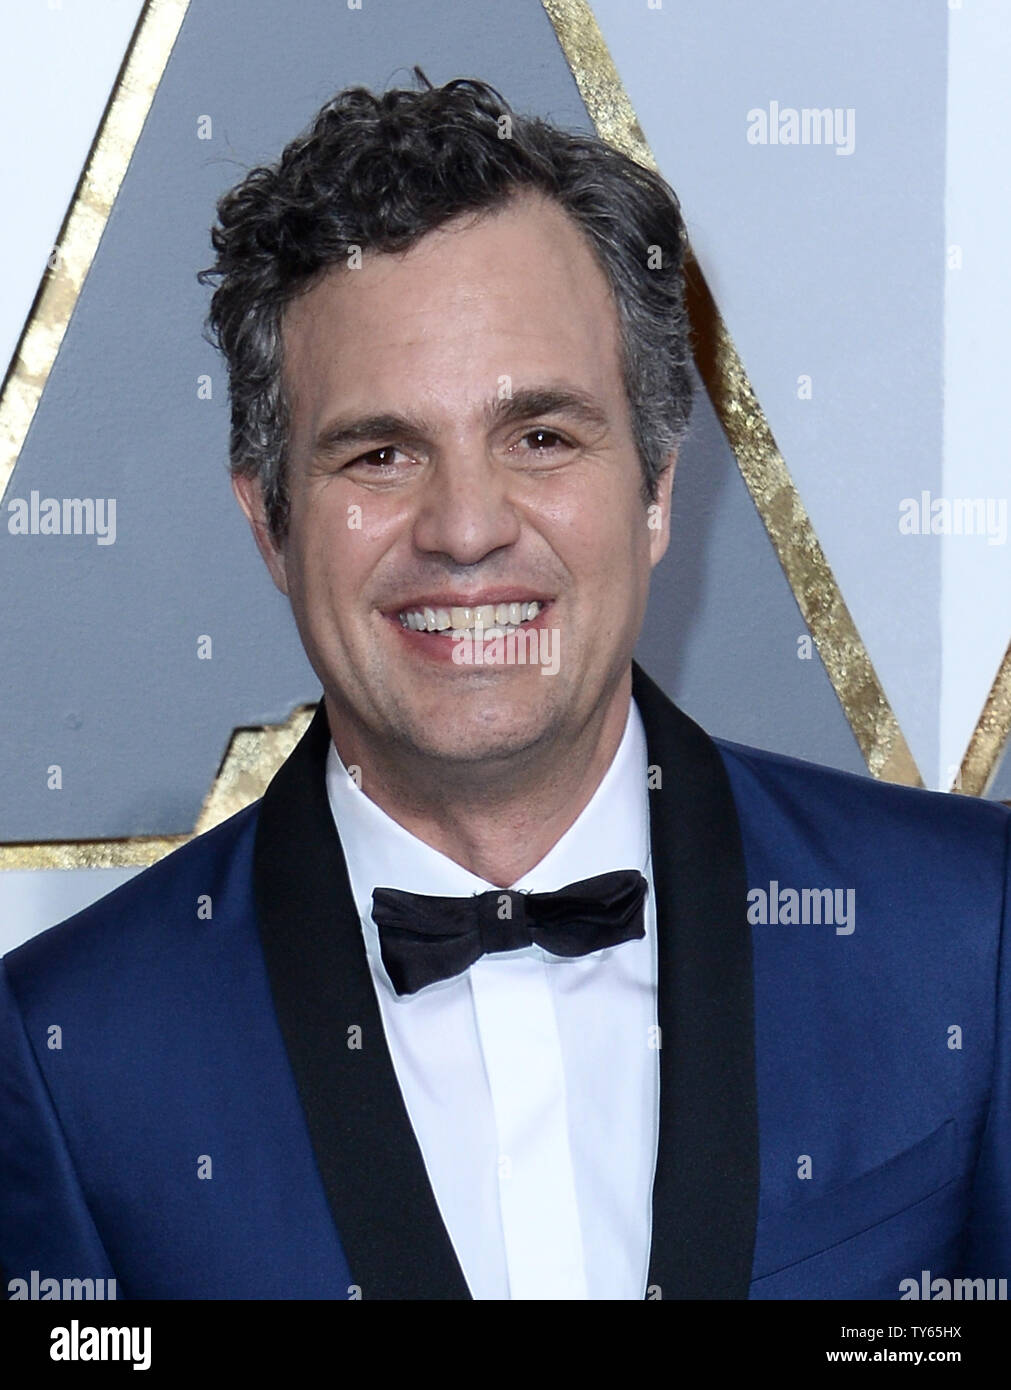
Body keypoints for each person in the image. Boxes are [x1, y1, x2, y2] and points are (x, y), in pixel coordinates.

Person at [1, 75, 1008, 1302]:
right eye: (380, 452)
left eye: (540, 436)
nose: (466, 530)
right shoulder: (67, 1057)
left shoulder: (970, 932)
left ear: (654, 493)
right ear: (268, 521)